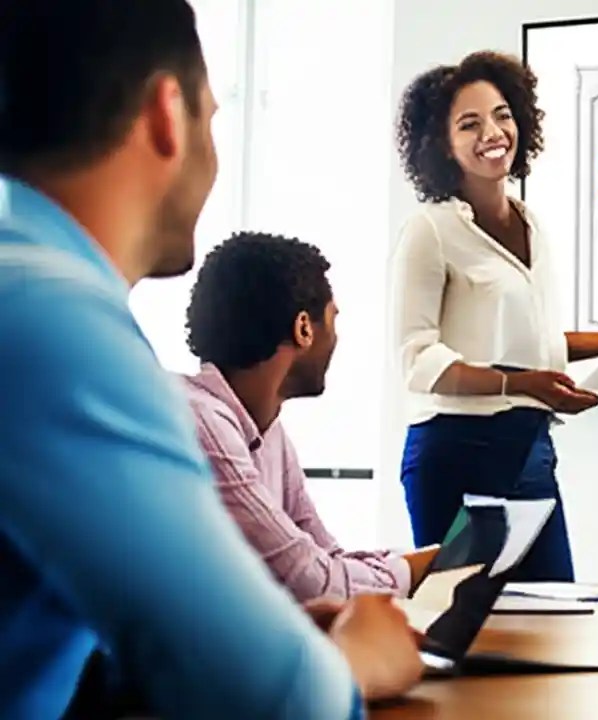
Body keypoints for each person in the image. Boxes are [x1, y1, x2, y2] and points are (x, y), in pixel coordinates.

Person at [0, 2, 421, 717]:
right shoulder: (55, 324)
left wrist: (267, 635)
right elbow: (270, 695)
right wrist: (349, 662)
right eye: (214, 117)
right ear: (169, 112)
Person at [391, 50, 598, 581]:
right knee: (467, 622)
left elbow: (540, 343)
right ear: (441, 144)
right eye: (470, 123)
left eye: (502, 114)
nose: (493, 131)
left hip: (529, 450)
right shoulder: (431, 230)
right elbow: (419, 362)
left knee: (555, 617)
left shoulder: (531, 223)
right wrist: (529, 382)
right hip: (457, 453)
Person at [182, 231, 440, 601]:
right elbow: (309, 580)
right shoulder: (204, 422)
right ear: (304, 328)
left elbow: (322, 558)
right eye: (332, 319)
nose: (336, 338)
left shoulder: (269, 432)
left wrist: (412, 560)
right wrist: (415, 570)